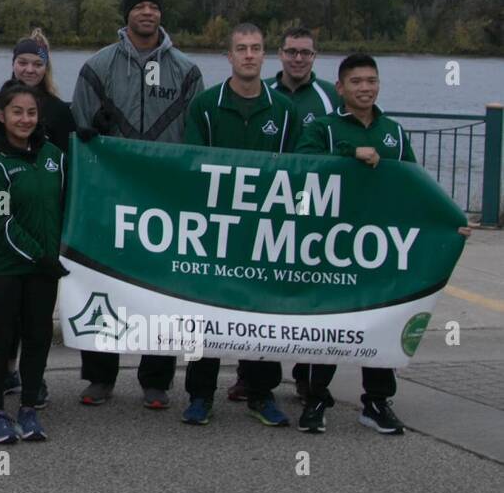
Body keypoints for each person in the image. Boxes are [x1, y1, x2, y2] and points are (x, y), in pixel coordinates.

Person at [294, 53, 471, 435]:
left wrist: (448, 222)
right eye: (356, 82)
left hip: (380, 248)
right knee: (329, 323)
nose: (365, 88)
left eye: (371, 81)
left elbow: (414, 186)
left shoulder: (393, 130)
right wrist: (348, 154)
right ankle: (315, 398)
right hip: (332, 244)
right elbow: (299, 166)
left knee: (381, 321)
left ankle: (376, 400)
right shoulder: (323, 128)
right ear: (340, 88)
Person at [70, 0, 204, 409]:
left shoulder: (187, 71)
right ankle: (100, 376)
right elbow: (79, 129)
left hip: (165, 198)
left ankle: (156, 379)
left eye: (153, 7)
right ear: (127, 14)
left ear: (161, 15)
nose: (147, 13)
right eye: (139, 7)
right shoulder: (98, 67)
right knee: (104, 281)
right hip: (110, 196)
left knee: (160, 286)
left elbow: (197, 138)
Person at [181, 23, 299, 427]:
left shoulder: (285, 111)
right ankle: (199, 395)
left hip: (264, 232)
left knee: (261, 312)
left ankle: (260, 392)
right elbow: (192, 165)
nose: (249, 55)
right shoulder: (206, 105)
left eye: (256, 48)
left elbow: (303, 172)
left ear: (264, 56)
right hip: (214, 230)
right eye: (241, 49)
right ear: (228, 56)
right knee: (206, 313)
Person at [0, 28, 79, 406]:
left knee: (36, 327)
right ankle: (3, 378)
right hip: (3, 222)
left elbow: (67, 169)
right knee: (4, 328)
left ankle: (32, 385)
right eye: (23, 61)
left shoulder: (58, 111)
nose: (30, 68)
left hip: (41, 231)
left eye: (37, 62)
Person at [252, 25, 340, 402]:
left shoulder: (331, 97)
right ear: (280, 54)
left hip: (314, 207)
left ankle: (309, 378)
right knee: (262, 293)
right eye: (291, 52)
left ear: (314, 56)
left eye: (305, 52)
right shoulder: (263, 92)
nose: (298, 59)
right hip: (270, 205)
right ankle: (255, 377)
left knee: (310, 293)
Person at [0, 84, 68, 443]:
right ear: (1, 115)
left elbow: (70, 204)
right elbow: (0, 224)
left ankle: (29, 408)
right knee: (1, 338)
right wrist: (40, 256)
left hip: (44, 269)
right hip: (5, 268)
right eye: (17, 112)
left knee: (38, 336)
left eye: (31, 113)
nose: (25, 119)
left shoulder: (55, 156)